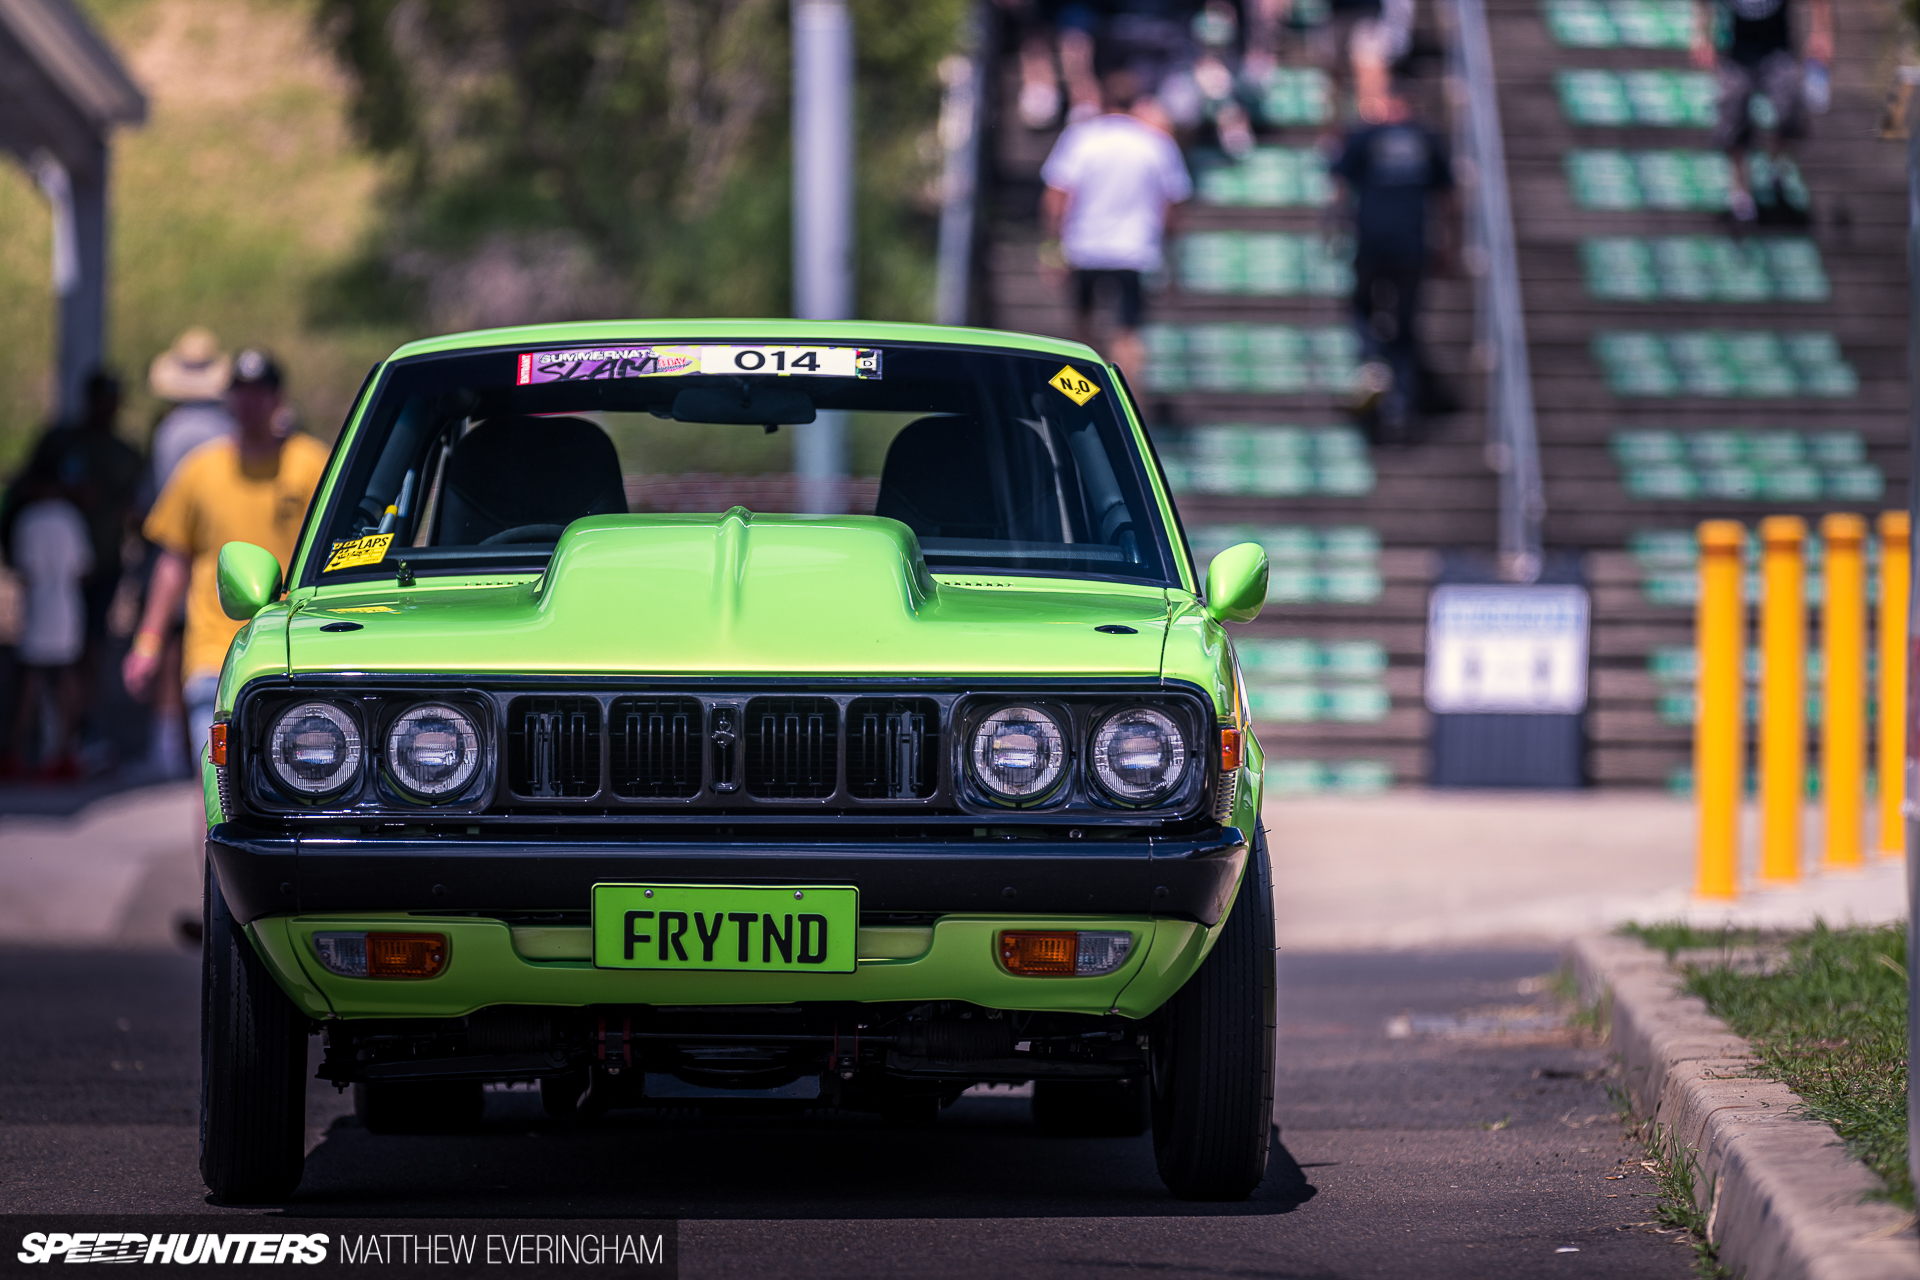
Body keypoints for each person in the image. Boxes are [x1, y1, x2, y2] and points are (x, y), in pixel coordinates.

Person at [122, 349, 327, 768]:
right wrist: (148, 642)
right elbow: (172, 561)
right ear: (229, 398)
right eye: (241, 392)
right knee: (215, 779)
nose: (250, 403)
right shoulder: (200, 469)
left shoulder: (310, 464)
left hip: (291, 648)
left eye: (261, 392)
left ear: (278, 399)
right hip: (213, 650)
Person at [1040, 69, 1193, 385]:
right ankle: (1128, 409)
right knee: (1128, 335)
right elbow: (1172, 206)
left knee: (1080, 335)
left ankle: (1079, 403)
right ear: (1136, 103)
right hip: (1134, 250)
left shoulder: (1081, 138)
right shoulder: (1155, 143)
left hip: (1084, 247)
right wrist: (1171, 253)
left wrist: (1051, 246)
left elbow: (1056, 198)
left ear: (1102, 101)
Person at [1329, 82, 1455, 443]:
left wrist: (1335, 224)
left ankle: (1372, 366)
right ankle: (1401, 404)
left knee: (1363, 309)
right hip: (1413, 246)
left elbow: (1339, 180)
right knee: (1405, 326)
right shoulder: (1426, 138)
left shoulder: (1366, 134)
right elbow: (1447, 197)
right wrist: (1447, 245)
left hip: (1371, 241)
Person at [136, 327, 235, 777]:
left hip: (181, 543)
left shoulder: (169, 432)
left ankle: (166, 743)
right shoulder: (228, 427)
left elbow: (158, 501)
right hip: (224, 548)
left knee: (174, 642)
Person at [1693, 0, 1831, 224]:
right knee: (1732, 109)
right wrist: (1701, 35)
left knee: (1791, 103)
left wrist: (1821, 33)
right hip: (1736, 53)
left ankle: (1776, 169)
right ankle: (1740, 190)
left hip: (1777, 50)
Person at [3, 472, 93, 780]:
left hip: (39, 607)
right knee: (67, 678)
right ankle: (66, 750)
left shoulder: (28, 520)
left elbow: (24, 571)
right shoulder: (70, 517)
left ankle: (16, 750)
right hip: (67, 606)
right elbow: (83, 568)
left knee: (31, 681)